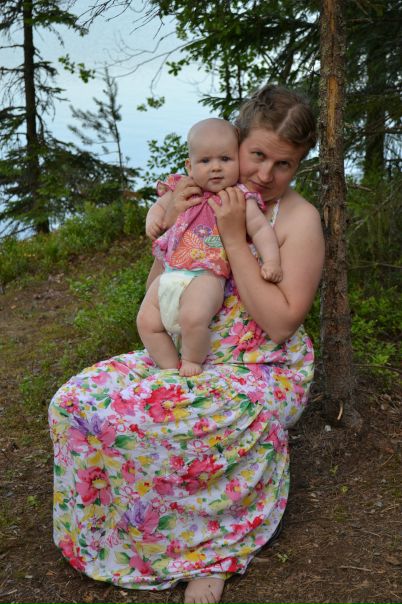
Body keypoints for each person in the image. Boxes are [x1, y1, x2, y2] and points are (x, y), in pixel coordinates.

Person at [48, 84, 324, 604]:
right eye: (257, 155)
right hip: (189, 352)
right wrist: (172, 223)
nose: (266, 174)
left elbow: (281, 325)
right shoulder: (197, 195)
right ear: (234, 145)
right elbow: (162, 284)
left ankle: (208, 553)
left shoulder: (297, 219)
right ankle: (118, 537)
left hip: (260, 366)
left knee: (159, 417)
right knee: (74, 403)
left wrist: (235, 238)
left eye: (283, 164)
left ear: (299, 164)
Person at [137, 117, 282, 378]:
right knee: (146, 322)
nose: (215, 167)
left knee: (193, 317)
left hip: (207, 274)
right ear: (189, 166)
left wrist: (271, 261)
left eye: (225, 159)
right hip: (170, 272)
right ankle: (169, 369)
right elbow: (158, 208)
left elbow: (261, 229)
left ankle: (192, 360)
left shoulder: (238, 197)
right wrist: (153, 220)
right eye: (205, 161)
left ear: (238, 161)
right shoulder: (182, 188)